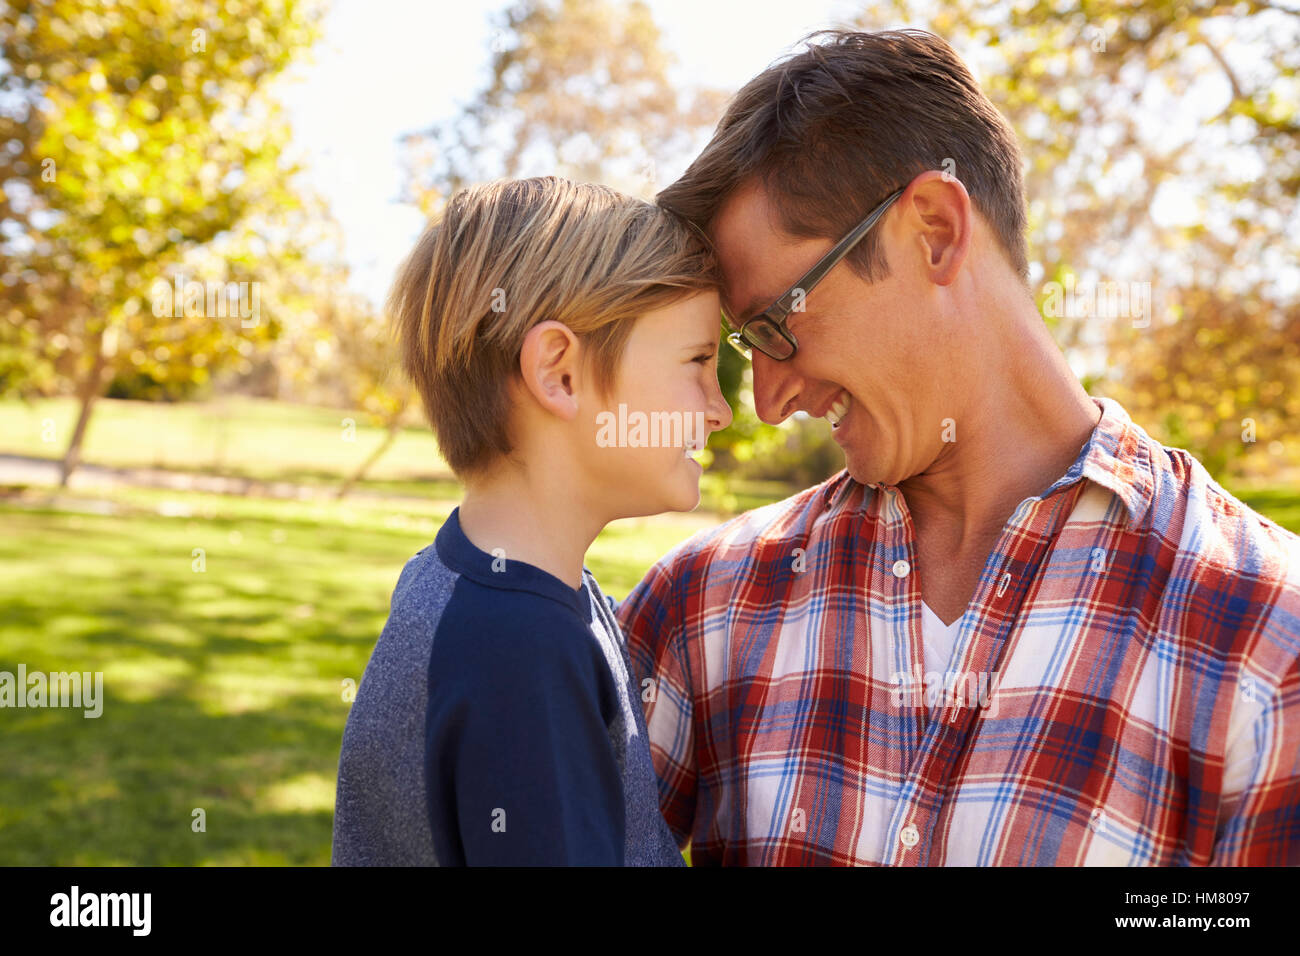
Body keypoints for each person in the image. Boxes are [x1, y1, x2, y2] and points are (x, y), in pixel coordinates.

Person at [617, 29, 1300, 865]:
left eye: (774, 326)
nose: (765, 398)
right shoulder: (702, 608)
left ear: (935, 230)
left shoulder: (1268, 641)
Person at [331, 176, 731, 865]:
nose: (719, 410)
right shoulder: (522, 647)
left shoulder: (476, 587)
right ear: (560, 374)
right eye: (698, 361)